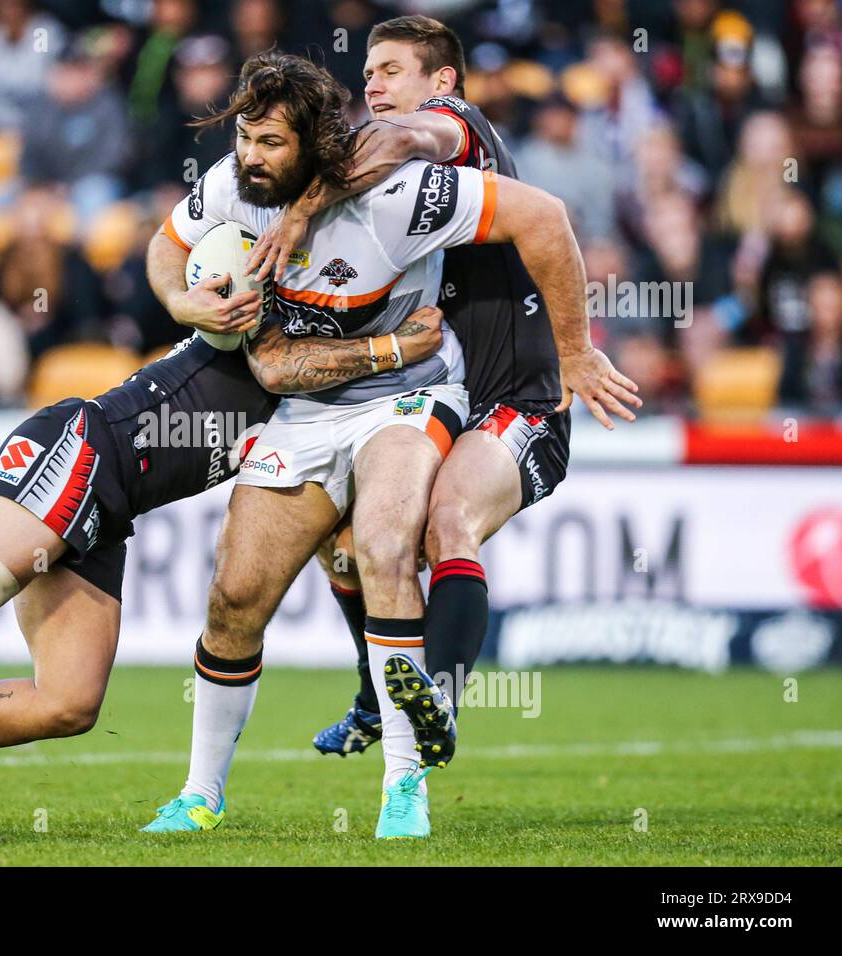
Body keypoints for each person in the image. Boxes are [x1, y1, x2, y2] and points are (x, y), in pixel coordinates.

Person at [0, 114, 446, 827]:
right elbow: (264, 351)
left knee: (69, 703)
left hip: (111, 507)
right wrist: (397, 351)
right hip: (84, 447)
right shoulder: (265, 277)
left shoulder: (336, 371)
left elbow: (330, 525)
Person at [141, 40, 638, 840]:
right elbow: (166, 246)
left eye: (271, 143)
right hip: (312, 405)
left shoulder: (406, 184)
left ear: (316, 147)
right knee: (236, 593)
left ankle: (403, 786)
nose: (249, 159)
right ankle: (201, 794)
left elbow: (540, 213)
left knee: (384, 543)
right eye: (244, 138)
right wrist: (184, 303)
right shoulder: (236, 186)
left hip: (413, 396)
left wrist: (577, 350)